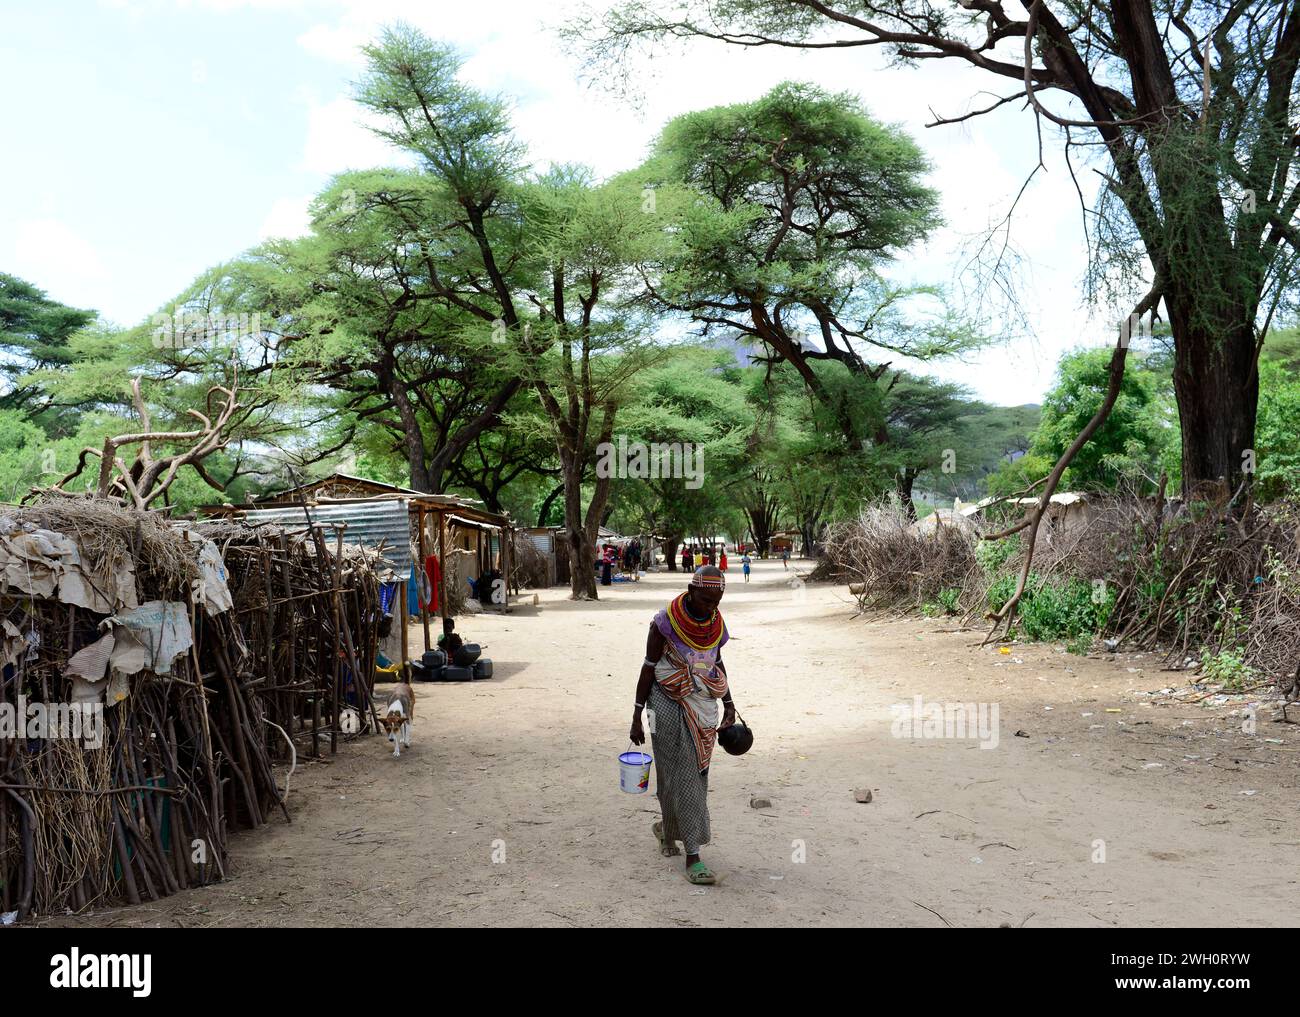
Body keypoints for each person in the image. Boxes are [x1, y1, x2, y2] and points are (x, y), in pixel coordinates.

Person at [629, 566, 735, 885]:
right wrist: (636, 716)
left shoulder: (715, 623)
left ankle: (667, 830)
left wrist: (729, 704)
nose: (710, 607)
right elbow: (649, 668)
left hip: (701, 702)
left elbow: (715, 662)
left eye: (716, 601)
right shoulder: (663, 622)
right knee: (674, 770)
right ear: (690, 590)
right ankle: (693, 856)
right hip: (663, 699)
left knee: (694, 771)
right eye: (705, 599)